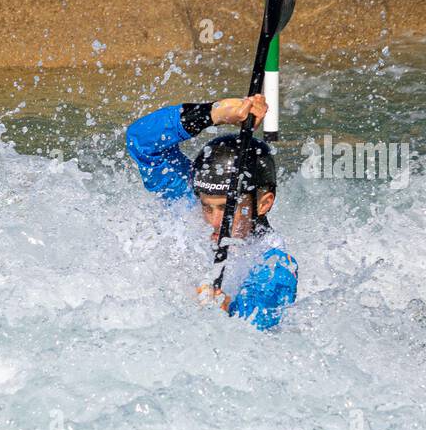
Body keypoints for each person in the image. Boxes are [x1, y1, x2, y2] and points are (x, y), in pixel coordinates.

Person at [125, 95, 298, 330]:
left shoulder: (276, 268)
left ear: (264, 204)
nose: (214, 222)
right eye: (207, 207)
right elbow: (141, 141)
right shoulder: (188, 203)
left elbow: (251, 335)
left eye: (227, 209)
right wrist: (214, 114)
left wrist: (225, 314)